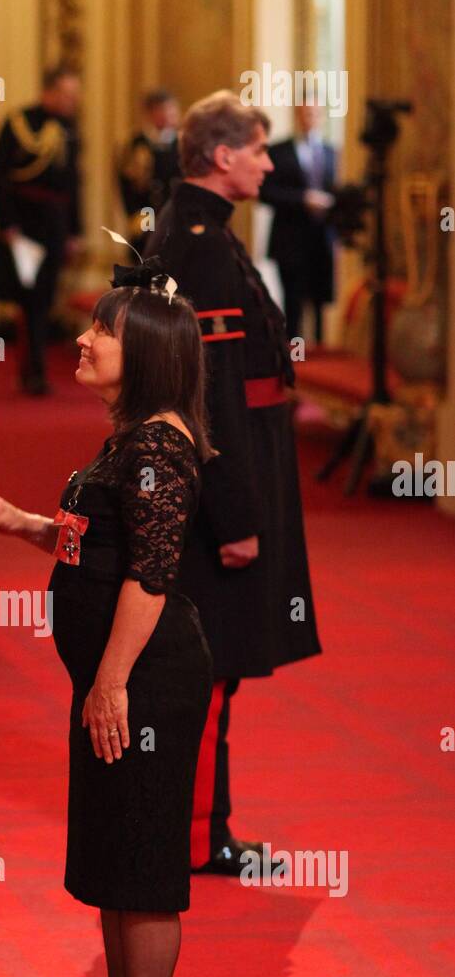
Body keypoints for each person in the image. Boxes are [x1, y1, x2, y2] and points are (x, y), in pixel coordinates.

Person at [0, 253, 216, 977]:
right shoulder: (131, 434)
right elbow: (99, 542)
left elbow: (150, 576)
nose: (79, 341)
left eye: (101, 332)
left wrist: (111, 682)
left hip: (146, 684)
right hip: (117, 679)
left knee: (143, 865)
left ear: (147, 350)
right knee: (115, 861)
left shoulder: (158, 442)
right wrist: (21, 525)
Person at [145, 90, 322, 875]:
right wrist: (236, 516)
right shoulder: (203, 247)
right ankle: (193, 838)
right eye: (257, 149)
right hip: (221, 485)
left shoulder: (196, 233)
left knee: (217, 675)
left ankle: (206, 829)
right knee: (209, 674)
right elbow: (207, 395)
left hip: (230, 472)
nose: (268, 162)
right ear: (222, 158)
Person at [0, 66, 84, 395]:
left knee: (46, 298)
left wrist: (75, 231)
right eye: (67, 95)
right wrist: (7, 225)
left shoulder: (69, 129)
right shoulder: (18, 124)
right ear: (48, 92)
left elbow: (74, 184)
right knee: (28, 302)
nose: (73, 101)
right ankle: (31, 370)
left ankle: (38, 369)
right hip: (24, 226)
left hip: (54, 226)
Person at [259, 103, 337, 343]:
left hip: (321, 239)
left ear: (321, 116)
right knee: (292, 302)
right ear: (296, 115)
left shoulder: (331, 152)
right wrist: (303, 199)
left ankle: (320, 358)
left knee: (319, 301)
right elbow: (265, 192)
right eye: (304, 113)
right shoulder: (278, 151)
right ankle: (294, 355)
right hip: (289, 240)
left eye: (314, 113)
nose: (309, 118)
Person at [117, 88, 182, 240]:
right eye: (164, 110)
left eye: (172, 109)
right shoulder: (135, 143)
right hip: (145, 213)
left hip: (175, 215)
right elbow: (126, 181)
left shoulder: (182, 143)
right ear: (151, 113)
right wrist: (133, 213)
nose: (170, 115)